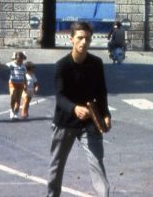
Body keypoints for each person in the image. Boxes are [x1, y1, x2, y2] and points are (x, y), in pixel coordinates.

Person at [47, 21, 111, 197]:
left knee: (97, 163)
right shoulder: (62, 65)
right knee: (56, 166)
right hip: (65, 122)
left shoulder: (96, 63)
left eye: (87, 39)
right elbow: (59, 97)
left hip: (90, 122)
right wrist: (74, 109)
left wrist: (106, 115)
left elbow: (101, 92)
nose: (84, 42)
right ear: (71, 40)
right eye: (80, 38)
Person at [7, 51, 28, 120]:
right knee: (13, 96)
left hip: (21, 83)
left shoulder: (23, 66)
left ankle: (15, 113)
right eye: (18, 58)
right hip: (13, 83)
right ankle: (11, 111)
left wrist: (25, 84)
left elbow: (25, 76)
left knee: (18, 99)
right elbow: (5, 66)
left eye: (21, 58)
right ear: (15, 58)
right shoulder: (12, 64)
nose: (19, 59)